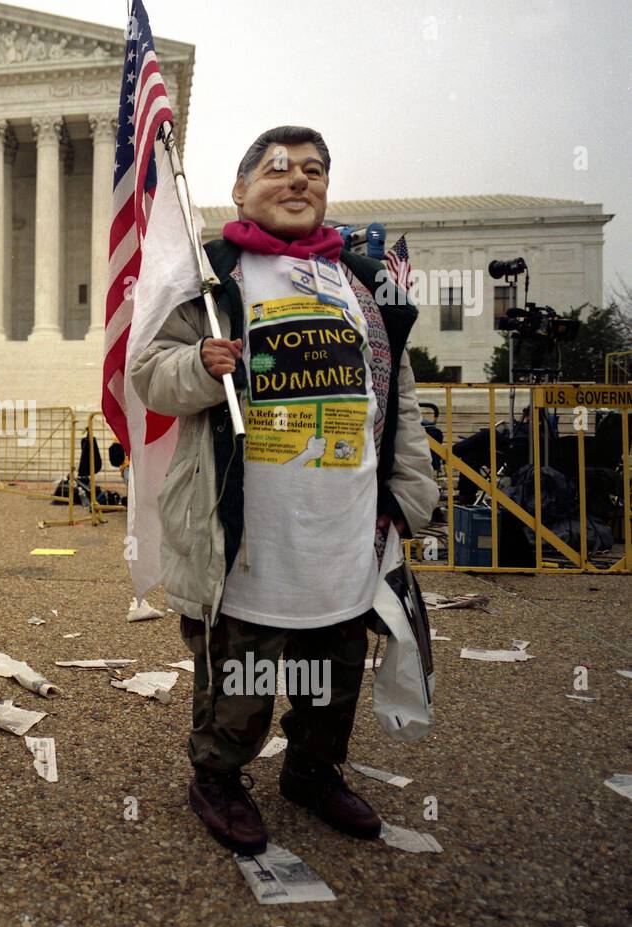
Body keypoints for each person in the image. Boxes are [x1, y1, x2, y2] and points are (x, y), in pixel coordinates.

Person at [130, 125, 438, 857]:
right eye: (278, 170)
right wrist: (202, 366)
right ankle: (219, 777)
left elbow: (397, 401)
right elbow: (150, 373)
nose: (298, 180)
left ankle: (311, 769)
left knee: (333, 668)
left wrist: (410, 493)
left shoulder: (364, 284)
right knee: (239, 673)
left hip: (343, 527)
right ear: (239, 190)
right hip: (246, 531)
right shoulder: (211, 277)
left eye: (314, 171)